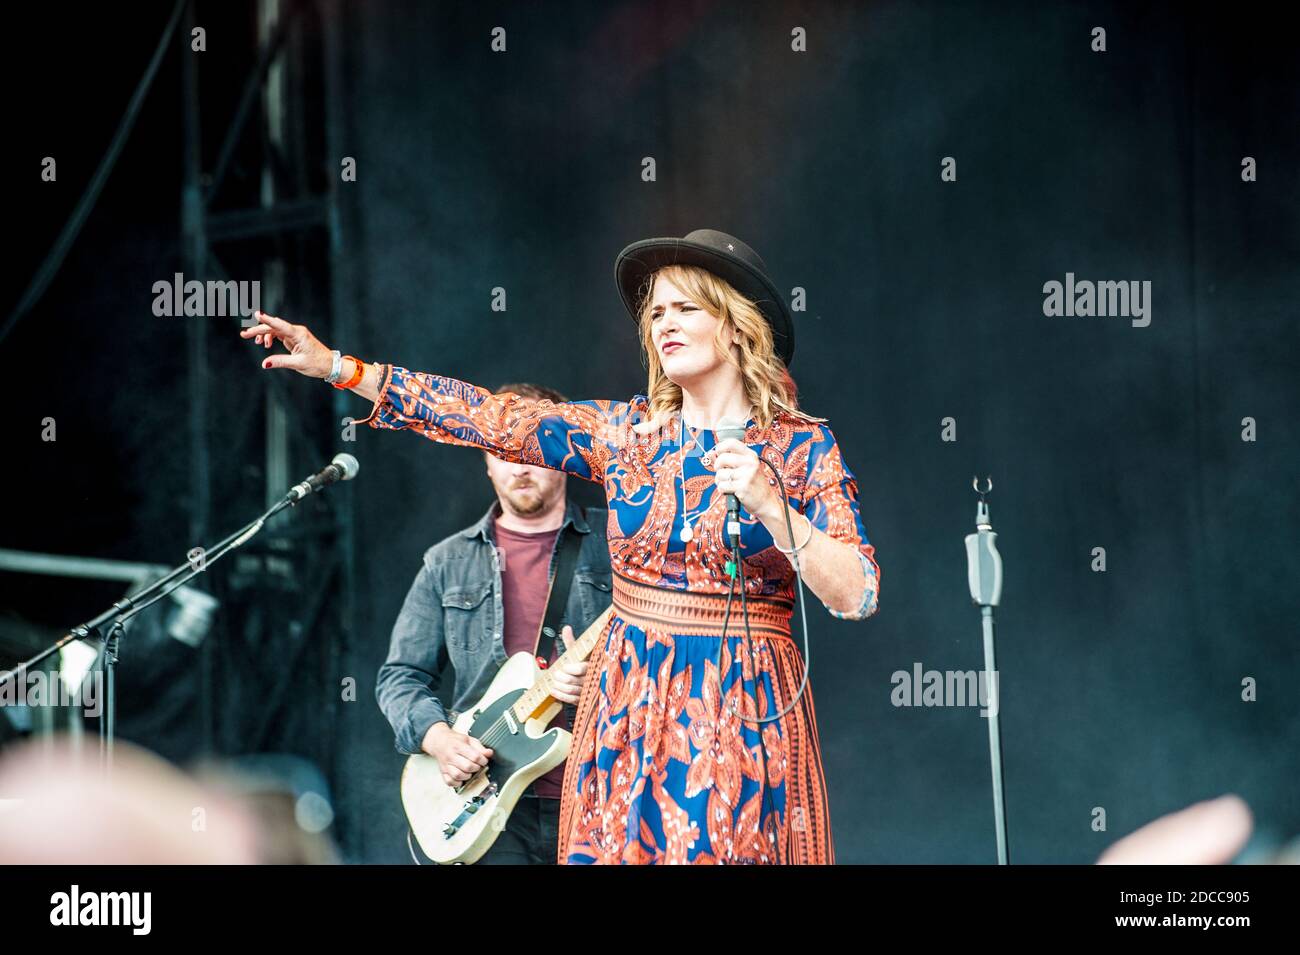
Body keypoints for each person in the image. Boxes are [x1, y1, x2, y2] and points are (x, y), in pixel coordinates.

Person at [240, 228, 881, 864]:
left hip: (742, 701)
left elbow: (856, 594)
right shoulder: (626, 435)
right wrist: (338, 367)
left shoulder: (802, 448)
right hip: (631, 702)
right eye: (655, 311)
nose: (664, 323)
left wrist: (774, 507)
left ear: (737, 323)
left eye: (686, 307)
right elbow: (485, 416)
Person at [375, 382, 613, 865]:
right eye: (501, 448)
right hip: (489, 800)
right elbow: (400, 677)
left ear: (566, 455)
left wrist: (608, 672)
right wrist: (439, 740)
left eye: (532, 446)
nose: (518, 463)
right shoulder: (448, 561)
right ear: (484, 459)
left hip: (601, 790)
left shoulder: (619, 544)